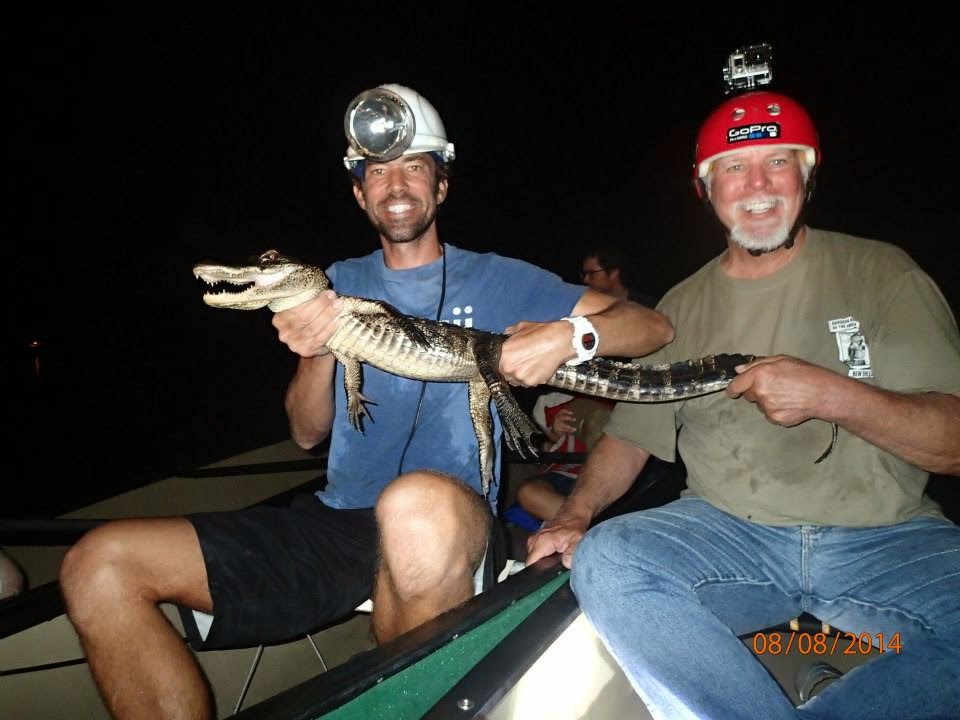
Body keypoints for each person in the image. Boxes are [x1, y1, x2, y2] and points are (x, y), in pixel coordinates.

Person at [58, 83, 673, 719]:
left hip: (448, 521)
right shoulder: (331, 286)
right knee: (99, 562)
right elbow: (305, 433)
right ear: (359, 192)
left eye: (415, 166)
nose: (397, 183)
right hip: (339, 519)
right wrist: (317, 346)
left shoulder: (500, 278)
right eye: (378, 170)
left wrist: (570, 332)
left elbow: (652, 328)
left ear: (441, 186)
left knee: (412, 504)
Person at [528, 89, 960, 718]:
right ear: (705, 189)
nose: (757, 183)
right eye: (733, 167)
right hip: (729, 535)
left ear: (807, 177)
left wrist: (832, 394)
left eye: (777, 162)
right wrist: (574, 515)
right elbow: (631, 436)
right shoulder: (677, 308)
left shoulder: (883, 273)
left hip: (887, 537)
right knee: (611, 559)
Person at [509, 391, 614, 527]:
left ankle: (593, 524)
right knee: (528, 493)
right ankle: (592, 524)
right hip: (564, 472)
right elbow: (545, 442)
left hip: (605, 474)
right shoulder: (553, 403)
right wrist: (555, 433)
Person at [581, 246, 657, 307]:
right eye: (584, 274)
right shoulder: (585, 306)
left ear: (614, 273)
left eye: (592, 273)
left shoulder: (644, 306)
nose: (586, 280)